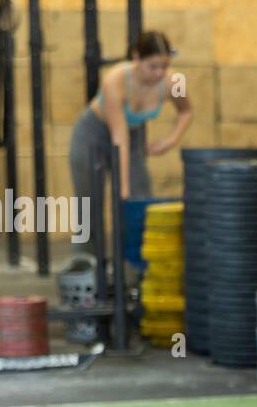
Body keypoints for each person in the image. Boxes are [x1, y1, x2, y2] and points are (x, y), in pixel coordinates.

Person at [68, 31, 193, 259]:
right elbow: (119, 137)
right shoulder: (115, 80)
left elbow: (186, 111)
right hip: (91, 136)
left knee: (139, 199)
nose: (159, 73)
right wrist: (121, 188)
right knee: (88, 205)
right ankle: (86, 266)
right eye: (152, 66)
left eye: (164, 66)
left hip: (131, 139)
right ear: (136, 57)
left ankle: (135, 265)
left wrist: (170, 140)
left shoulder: (174, 82)